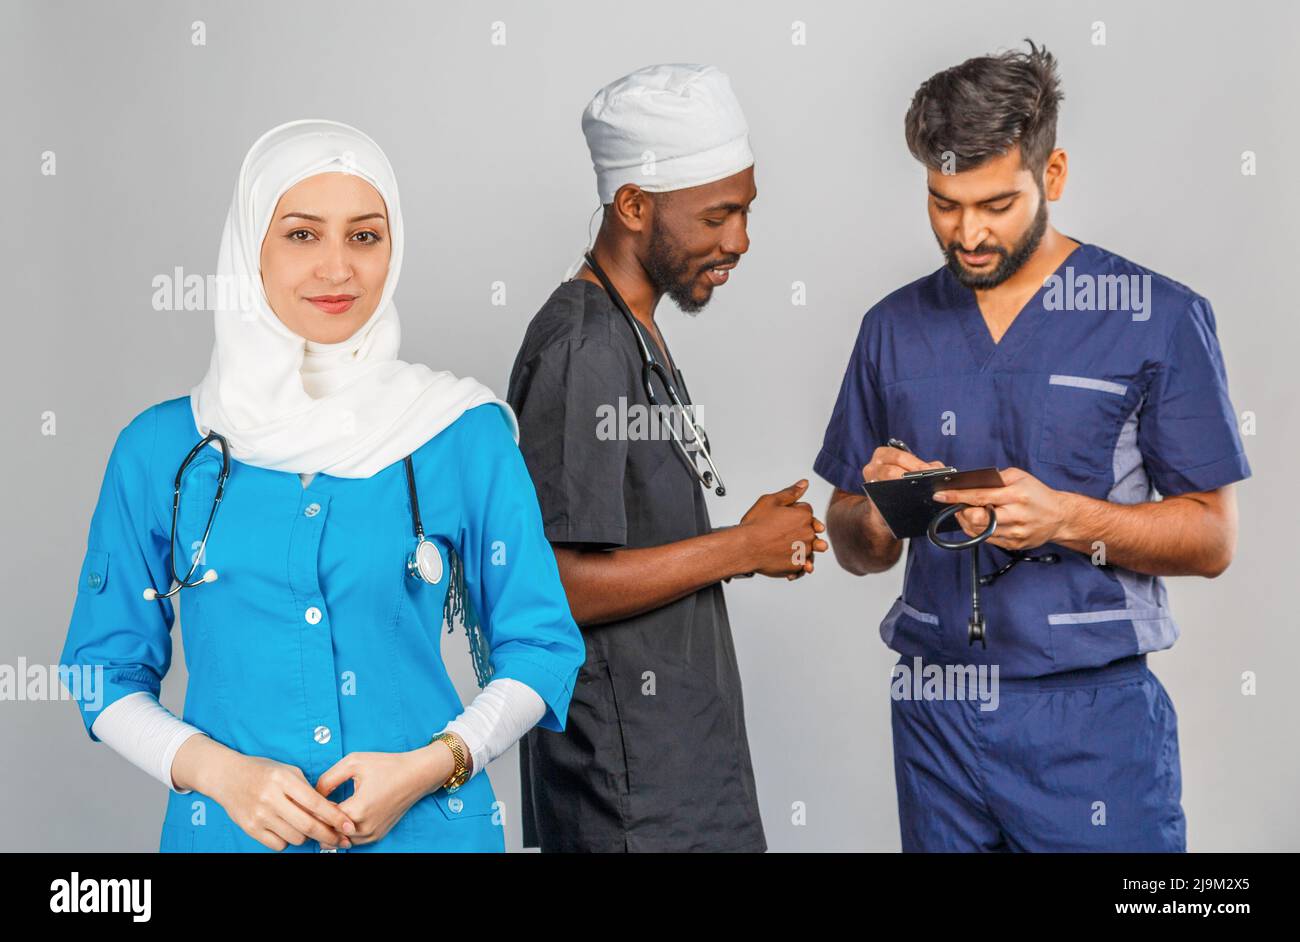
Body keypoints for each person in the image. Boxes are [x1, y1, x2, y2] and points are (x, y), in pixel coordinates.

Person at [60, 119, 585, 853]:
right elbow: (99, 673)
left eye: (364, 237)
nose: (338, 269)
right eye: (303, 235)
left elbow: (542, 647)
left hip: (430, 834)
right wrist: (219, 774)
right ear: (252, 248)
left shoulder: (459, 431)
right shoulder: (161, 450)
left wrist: (429, 767)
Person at [815, 42, 1250, 851]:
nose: (968, 233)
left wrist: (1068, 520)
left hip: (1094, 725)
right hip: (934, 717)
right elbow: (855, 547)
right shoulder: (891, 330)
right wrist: (877, 511)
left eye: (996, 205)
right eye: (945, 204)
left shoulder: (1156, 316)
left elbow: (1213, 539)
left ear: (1052, 177)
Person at [508, 64, 827, 852]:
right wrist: (741, 549)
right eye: (717, 216)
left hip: (677, 769)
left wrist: (738, 541)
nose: (739, 241)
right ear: (634, 205)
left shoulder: (633, 331)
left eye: (746, 211)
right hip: (624, 789)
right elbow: (561, 584)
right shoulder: (585, 348)